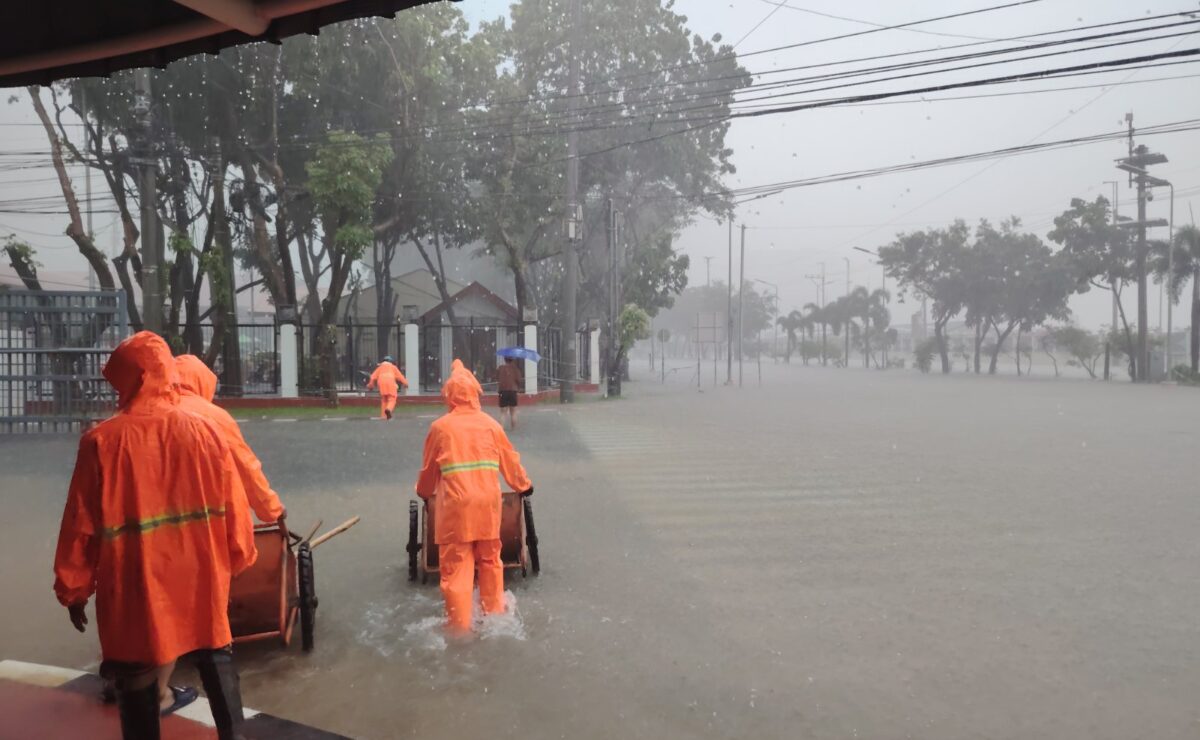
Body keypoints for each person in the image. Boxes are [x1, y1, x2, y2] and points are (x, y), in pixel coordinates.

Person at [54, 331, 257, 740]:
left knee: (137, 672)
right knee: (215, 652)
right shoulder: (207, 432)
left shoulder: (101, 442)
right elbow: (235, 507)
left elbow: (80, 525)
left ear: (130, 379)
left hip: (135, 581)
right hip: (201, 571)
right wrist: (237, 560)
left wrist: (74, 590)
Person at [415, 367, 533, 634]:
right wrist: (524, 486)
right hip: (488, 507)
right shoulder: (490, 425)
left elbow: (428, 473)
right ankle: (496, 618)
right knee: (491, 560)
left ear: (449, 396)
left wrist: (423, 492)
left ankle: (459, 630)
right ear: (475, 394)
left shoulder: (440, 428)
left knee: (457, 567)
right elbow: (509, 461)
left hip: (456, 510)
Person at [176, 354, 286, 524]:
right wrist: (272, 509)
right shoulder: (213, 416)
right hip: (213, 520)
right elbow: (245, 467)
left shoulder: (149, 417)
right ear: (202, 381)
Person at [366, 355, 408, 420]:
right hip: (390, 382)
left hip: (381, 382)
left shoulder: (380, 367)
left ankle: (383, 416)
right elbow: (400, 377)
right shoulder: (393, 367)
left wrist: (370, 385)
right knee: (392, 399)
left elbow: (373, 377)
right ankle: (388, 410)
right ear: (391, 361)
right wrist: (405, 384)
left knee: (384, 400)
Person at [496, 356, 523, 430]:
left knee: (503, 412)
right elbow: (519, 380)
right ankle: (513, 428)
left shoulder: (500, 368)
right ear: (512, 360)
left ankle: (501, 428)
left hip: (503, 391)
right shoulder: (515, 369)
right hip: (513, 391)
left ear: (505, 360)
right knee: (513, 411)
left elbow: (497, 377)